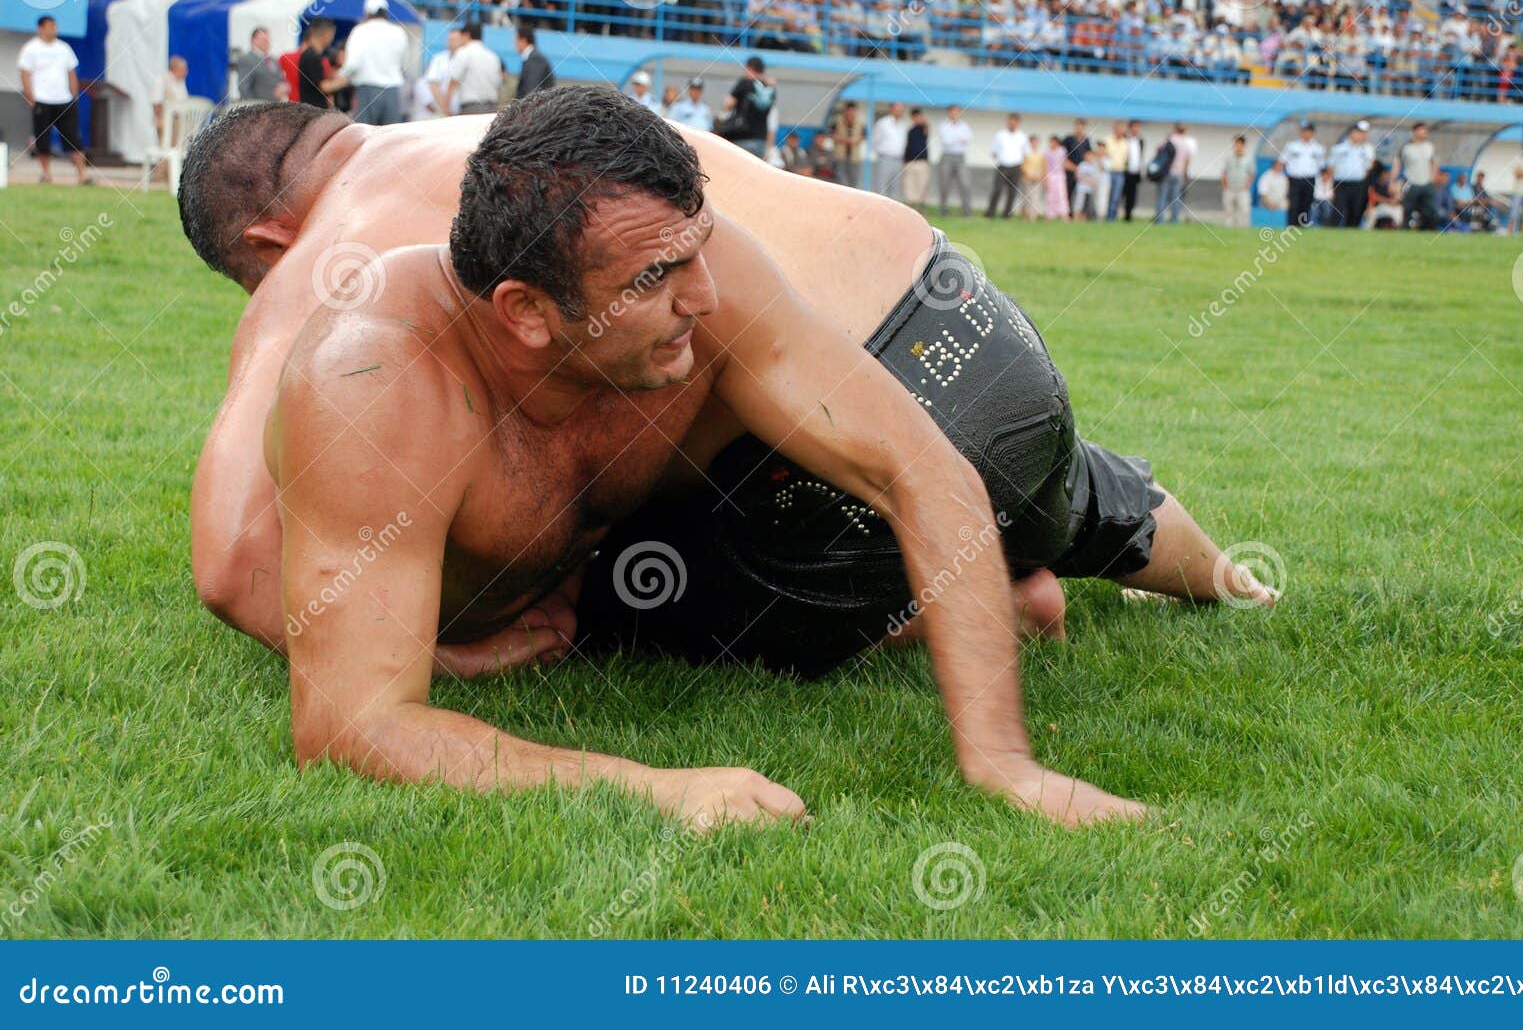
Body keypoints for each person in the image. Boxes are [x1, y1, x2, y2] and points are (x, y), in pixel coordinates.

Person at [179, 91, 1275, 830]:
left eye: (698, 252)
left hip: (880, 417)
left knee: (650, 577)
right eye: (660, 277)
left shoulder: (695, 266)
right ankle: (1161, 571)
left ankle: (967, 591)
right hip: (959, 336)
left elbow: (920, 467)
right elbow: (349, 724)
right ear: (522, 311)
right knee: (1051, 492)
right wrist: (656, 787)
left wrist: (1002, 762)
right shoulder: (368, 373)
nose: (703, 297)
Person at [17, 14, 90, 185]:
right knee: (43, 139)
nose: (53, 29)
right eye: (49, 26)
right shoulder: (31, 49)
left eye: (55, 26)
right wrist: (31, 97)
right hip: (42, 99)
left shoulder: (64, 48)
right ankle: (46, 174)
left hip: (64, 99)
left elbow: (71, 72)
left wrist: (74, 95)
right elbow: (25, 74)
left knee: (74, 138)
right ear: (40, 28)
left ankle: (82, 174)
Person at [338, 0, 409, 126]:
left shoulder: (360, 30)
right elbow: (402, 63)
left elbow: (353, 64)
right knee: (389, 139)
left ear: (367, 12)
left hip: (367, 90)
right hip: (392, 91)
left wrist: (341, 75)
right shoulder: (399, 32)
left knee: (365, 137)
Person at [722, 55, 777, 158]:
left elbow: (728, 105)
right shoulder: (771, 88)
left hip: (742, 138)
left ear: (750, 68)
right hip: (761, 140)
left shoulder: (744, 83)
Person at [443, 23, 502, 115]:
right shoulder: (494, 56)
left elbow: (453, 83)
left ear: (467, 35)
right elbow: (498, 87)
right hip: (492, 109)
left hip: (471, 108)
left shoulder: (463, 53)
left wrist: (446, 109)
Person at [1328, 120, 1376, 228]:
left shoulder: (1367, 149)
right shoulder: (1339, 148)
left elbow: (1370, 166)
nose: (1361, 135)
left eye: (1364, 133)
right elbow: (1331, 166)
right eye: (1359, 132)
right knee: (1338, 208)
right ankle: (1331, 231)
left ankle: (1351, 231)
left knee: (1355, 209)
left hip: (1358, 184)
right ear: (1352, 133)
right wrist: (1332, 184)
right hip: (1341, 183)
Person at [1281, 122, 1324, 228]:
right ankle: (1291, 225)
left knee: (1306, 203)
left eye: (1308, 131)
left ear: (1313, 133)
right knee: (1294, 203)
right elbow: (1282, 161)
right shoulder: (1292, 146)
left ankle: (1302, 225)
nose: (1306, 134)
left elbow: (1321, 165)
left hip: (1310, 178)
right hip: (1295, 178)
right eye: (1304, 131)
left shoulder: (1318, 148)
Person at [1397, 122, 1439, 231]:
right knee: (1408, 209)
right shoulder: (1406, 147)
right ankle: (1404, 231)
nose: (1425, 133)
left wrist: (1434, 177)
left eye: (1426, 131)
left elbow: (1434, 163)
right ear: (1414, 132)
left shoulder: (1429, 147)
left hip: (1427, 182)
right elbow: (1397, 164)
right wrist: (1393, 180)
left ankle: (1427, 231)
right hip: (1411, 182)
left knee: (1430, 210)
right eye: (1422, 130)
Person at [986, 112, 1027, 218]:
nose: (1012, 123)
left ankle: (1007, 214)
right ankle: (990, 213)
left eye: (1014, 121)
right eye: (1010, 121)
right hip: (1002, 166)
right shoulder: (1000, 135)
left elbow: (1025, 154)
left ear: (1018, 123)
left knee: (1012, 193)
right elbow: (993, 152)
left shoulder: (1022, 136)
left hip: (1016, 166)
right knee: (997, 190)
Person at [1154, 122, 1195, 224]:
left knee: (1162, 197)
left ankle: (1160, 219)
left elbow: (1158, 150)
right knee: (1176, 198)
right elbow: (1187, 160)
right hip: (1178, 174)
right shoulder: (1186, 143)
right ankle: (1175, 219)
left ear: (1175, 129)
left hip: (1166, 173)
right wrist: (1184, 175)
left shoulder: (1169, 140)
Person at [935, 104, 972, 215]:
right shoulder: (943, 125)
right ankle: (944, 210)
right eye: (952, 111)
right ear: (949, 112)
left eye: (957, 111)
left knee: (965, 184)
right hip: (946, 157)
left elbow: (967, 139)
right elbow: (946, 140)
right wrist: (959, 139)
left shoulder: (965, 126)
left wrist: (954, 139)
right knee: (944, 185)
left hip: (960, 158)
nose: (954, 114)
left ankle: (967, 211)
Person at [236, 27, 285, 103]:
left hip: (276, 107)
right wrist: (254, 108)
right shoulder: (246, 59)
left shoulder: (273, 60)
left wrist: (285, 87)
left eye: (269, 40)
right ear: (254, 40)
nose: (268, 43)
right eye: (264, 40)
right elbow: (243, 88)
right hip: (259, 109)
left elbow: (282, 80)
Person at [295, 19, 337, 111]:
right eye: (332, 34)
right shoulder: (311, 56)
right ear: (327, 34)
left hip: (312, 109)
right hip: (314, 110)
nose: (331, 39)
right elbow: (323, 86)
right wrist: (346, 80)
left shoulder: (312, 55)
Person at [870, 101, 907, 198]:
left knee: (896, 188)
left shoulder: (903, 124)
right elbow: (874, 141)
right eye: (897, 109)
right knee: (881, 187)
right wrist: (881, 153)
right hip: (885, 159)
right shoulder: (883, 123)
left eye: (901, 110)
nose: (900, 111)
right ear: (891, 109)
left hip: (898, 160)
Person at [512, 23, 555, 100]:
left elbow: (531, 91)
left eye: (516, 40)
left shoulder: (536, 59)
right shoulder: (531, 58)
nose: (514, 44)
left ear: (523, 40)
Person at [1220, 134, 1252, 228]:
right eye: (1236, 144)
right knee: (1228, 210)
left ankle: (1243, 229)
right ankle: (1228, 228)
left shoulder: (1248, 159)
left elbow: (1251, 173)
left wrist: (1246, 185)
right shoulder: (1229, 158)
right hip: (1230, 188)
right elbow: (1224, 172)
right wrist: (1225, 186)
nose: (1238, 146)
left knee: (1244, 210)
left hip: (1242, 189)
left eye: (1240, 144)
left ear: (1243, 145)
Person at [831, 100, 864, 188]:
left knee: (854, 183)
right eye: (848, 110)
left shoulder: (860, 123)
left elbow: (861, 138)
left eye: (852, 111)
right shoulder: (838, 121)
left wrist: (843, 139)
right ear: (845, 111)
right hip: (840, 157)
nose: (850, 113)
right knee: (840, 182)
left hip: (854, 158)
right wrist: (849, 140)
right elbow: (833, 136)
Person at [901, 107, 930, 206]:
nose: (917, 118)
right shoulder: (910, 131)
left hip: (922, 162)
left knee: (922, 185)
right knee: (909, 185)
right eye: (915, 117)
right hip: (910, 162)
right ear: (912, 118)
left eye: (919, 116)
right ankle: (911, 206)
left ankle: (921, 206)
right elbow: (907, 146)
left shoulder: (924, 128)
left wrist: (923, 121)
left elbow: (927, 125)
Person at [1061, 119, 1091, 219]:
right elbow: (1062, 156)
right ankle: (1068, 214)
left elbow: (1088, 155)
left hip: (1082, 173)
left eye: (1082, 126)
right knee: (1068, 193)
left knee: (1081, 195)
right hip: (1070, 171)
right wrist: (1074, 168)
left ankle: (1080, 215)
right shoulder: (1068, 139)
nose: (1080, 128)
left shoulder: (1086, 140)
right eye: (1078, 126)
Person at [1103, 122, 1129, 223]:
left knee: (1116, 196)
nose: (1120, 131)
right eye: (1119, 129)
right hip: (1108, 172)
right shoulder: (1107, 140)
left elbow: (1126, 157)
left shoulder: (1125, 143)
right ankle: (1102, 215)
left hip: (1120, 172)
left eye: (1122, 129)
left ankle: (1111, 217)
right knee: (1105, 195)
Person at [1120, 120, 1144, 221]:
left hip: (1135, 172)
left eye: (1138, 127)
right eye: (1134, 127)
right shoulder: (1125, 139)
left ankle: (1128, 216)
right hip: (1125, 171)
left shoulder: (1141, 141)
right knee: (1120, 193)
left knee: (1132, 196)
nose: (1136, 129)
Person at [1071, 144, 1102, 221]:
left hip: (1090, 190)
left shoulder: (1095, 166)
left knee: (1087, 205)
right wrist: (1087, 180)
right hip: (1081, 189)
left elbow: (1096, 178)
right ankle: (1076, 217)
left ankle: (1084, 218)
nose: (1090, 158)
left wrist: (1090, 181)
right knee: (1078, 203)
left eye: (1091, 156)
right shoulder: (1082, 165)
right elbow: (1078, 176)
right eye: (1088, 156)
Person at [1019, 134, 1046, 220]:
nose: (1034, 143)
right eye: (1033, 142)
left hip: (1037, 178)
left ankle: (1032, 216)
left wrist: (1041, 176)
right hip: (1027, 178)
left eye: (1036, 142)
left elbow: (1043, 166)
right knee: (1026, 197)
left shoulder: (1041, 154)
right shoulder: (1025, 154)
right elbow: (1022, 166)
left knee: (1035, 198)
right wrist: (1029, 175)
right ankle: (1024, 215)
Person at [1044, 135, 1069, 220]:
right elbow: (1045, 166)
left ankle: (1064, 215)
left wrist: (1076, 168)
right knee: (1050, 196)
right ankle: (1049, 215)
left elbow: (1065, 163)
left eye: (1053, 142)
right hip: (1050, 176)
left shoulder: (1062, 151)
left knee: (1062, 196)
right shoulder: (1047, 153)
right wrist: (1045, 180)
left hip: (1060, 176)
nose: (1051, 144)